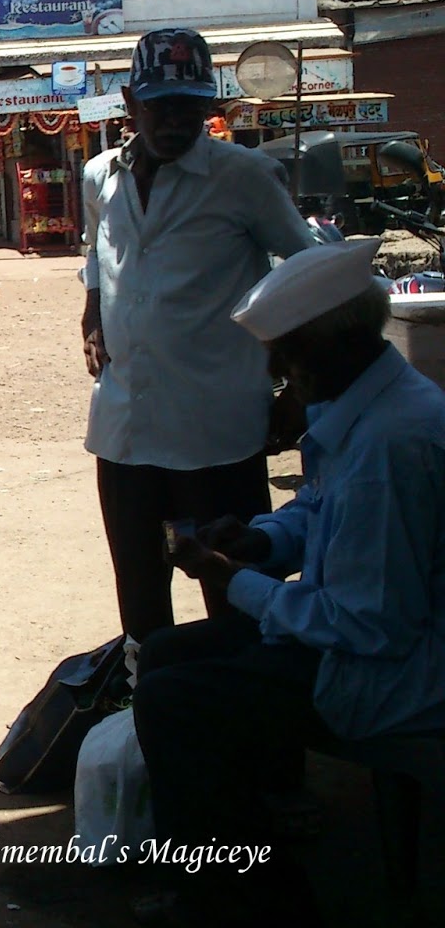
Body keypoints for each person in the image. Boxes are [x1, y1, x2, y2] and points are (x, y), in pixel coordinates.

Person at [132, 238, 445, 927]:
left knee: (174, 702)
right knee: (165, 655)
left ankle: (255, 903)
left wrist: (234, 582)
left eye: (285, 352)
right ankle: (222, 866)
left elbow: (367, 625)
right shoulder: (367, 403)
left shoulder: (391, 446)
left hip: (393, 674)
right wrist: (260, 541)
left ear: (330, 345)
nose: (275, 370)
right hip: (369, 643)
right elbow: (317, 511)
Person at [81, 27, 318, 644]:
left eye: (191, 105)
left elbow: (311, 273)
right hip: (125, 428)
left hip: (216, 428)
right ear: (131, 102)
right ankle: (149, 708)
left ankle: (239, 714)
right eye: (162, 105)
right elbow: (97, 256)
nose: (176, 121)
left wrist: (296, 386)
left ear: (211, 106)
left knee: (232, 591)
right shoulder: (100, 178)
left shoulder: (244, 177)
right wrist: (91, 308)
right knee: (139, 590)